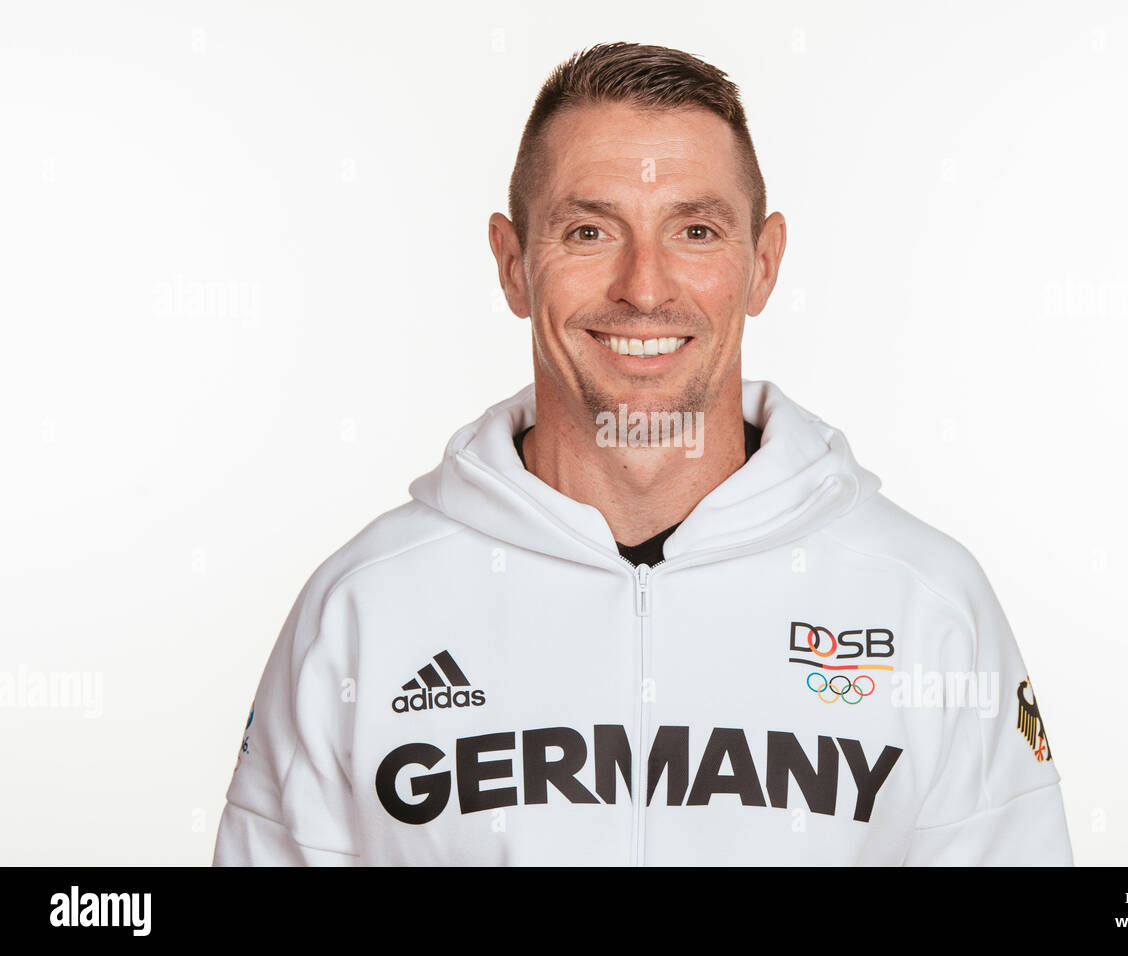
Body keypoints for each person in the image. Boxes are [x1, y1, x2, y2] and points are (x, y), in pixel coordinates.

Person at [212, 41, 1073, 866]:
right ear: (512, 265)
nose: (645, 287)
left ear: (763, 264)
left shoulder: (923, 602)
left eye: (695, 232)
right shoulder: (364, 610)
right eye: (589, 232)